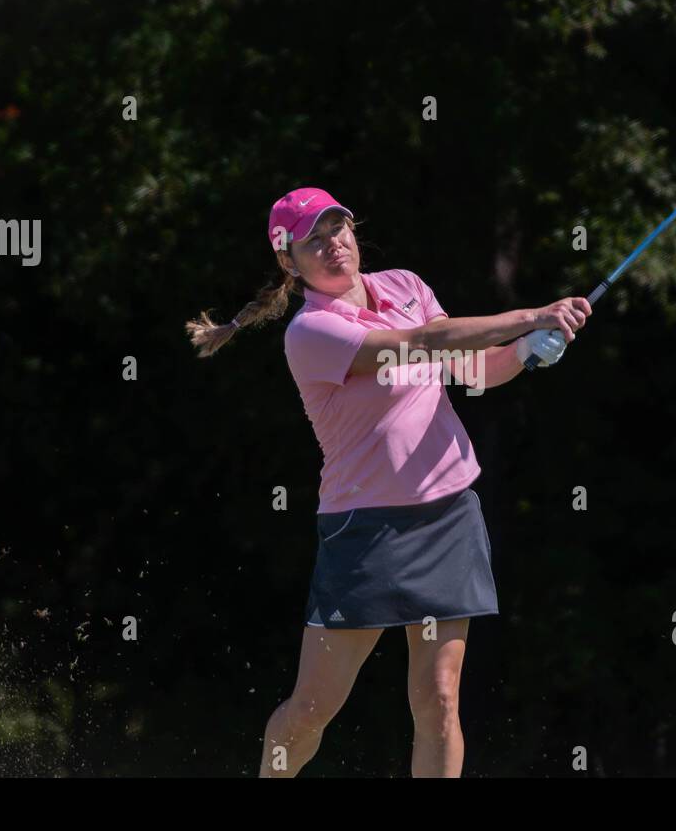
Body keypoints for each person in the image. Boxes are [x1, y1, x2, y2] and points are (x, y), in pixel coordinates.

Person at [185, 187, 591, 777]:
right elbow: (422, 343)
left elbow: (470, 368)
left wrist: (527, 350)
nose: (333, 245)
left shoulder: (404, 285)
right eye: (313, 239)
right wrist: (532, 315)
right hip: (365, 530)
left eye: (338, 228)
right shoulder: (311, 333)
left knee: (441, 701)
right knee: (311, 710)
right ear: (288, 260)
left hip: (449, 513)